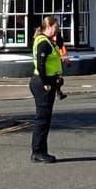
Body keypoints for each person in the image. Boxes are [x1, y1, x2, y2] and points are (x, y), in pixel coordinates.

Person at [28, 15, 69, 163]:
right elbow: (40, 65)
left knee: (45, 118)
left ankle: (41, 151)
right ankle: (38, 152)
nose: (57, 31)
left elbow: (59, 48)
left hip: (47, 81)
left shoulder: (49, 41)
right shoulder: (43, 43)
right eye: (55, 28)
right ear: (48, 27)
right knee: (42, 119)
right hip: (42, 83)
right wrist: (46, 82)